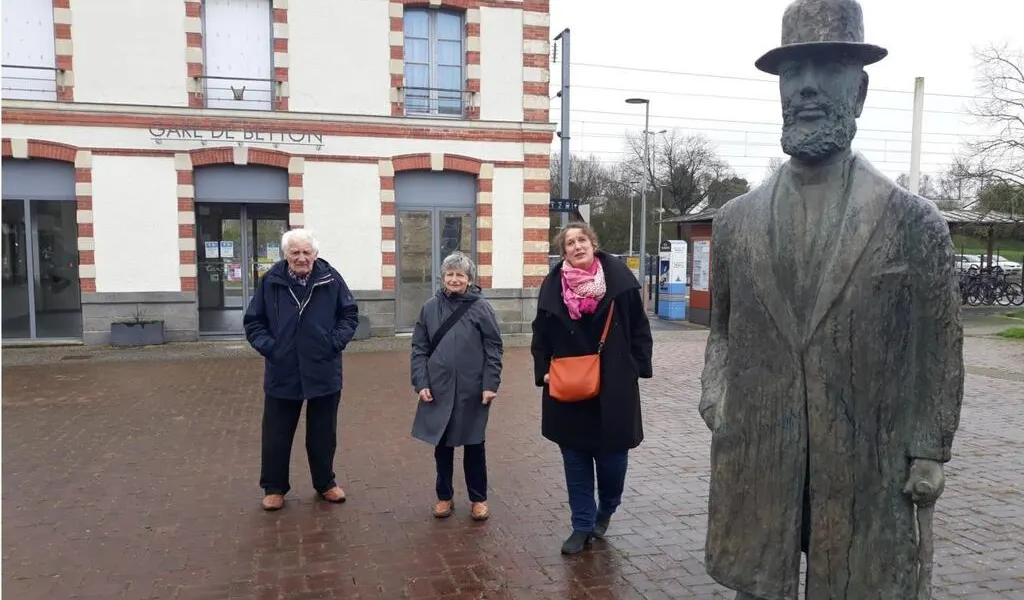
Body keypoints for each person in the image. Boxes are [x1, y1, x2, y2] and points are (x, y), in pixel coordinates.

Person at [698, 1, 964, 598]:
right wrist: (716, 394)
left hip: (866, 465)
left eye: (828, 68)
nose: (808, 87)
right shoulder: (735, 222)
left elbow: (939, 346)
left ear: (860, 87)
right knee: (759, 586)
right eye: (794, 73)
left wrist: (929, 448)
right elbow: (721, 327)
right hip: (762, 454)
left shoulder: (913, 222)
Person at [530, 223, 653, 555]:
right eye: (569, 243)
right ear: (563, 251)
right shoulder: (553, 286)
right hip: (569, 385)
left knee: (613, 461)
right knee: (575, 457)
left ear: (593, 244)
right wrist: (543, 371)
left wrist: (637, 366)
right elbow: (540, 333)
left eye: (581, 240)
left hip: (613, 386)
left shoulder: (620, 282)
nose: (576, 246)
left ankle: (607, 508)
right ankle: (581, 525)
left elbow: (640, 328)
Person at [243, 228, 360, 512]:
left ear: (315, 254)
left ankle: (325, 483)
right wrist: (272, 348)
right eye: (295, 252)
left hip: (323, 368)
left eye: (307, 252)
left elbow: (349, 314)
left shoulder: (331, 279)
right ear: (285, 255)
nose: (302, 258)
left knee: (323, 433)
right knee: (276, 433)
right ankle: (274, 488)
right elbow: (253, 321)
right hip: (283, 370)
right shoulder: (271, 281)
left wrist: (334, 343)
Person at [410, 251, 503, 521]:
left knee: (474, 445)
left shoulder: (481, 307)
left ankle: (478, 499)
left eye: (459, 275)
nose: (454, 279)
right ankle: (444, 496)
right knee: (443, 446)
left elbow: (494, 347)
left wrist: (490, 383)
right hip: (438, 389)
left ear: (469, 279)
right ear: (442, 278)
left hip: (472, 390)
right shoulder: (429, 307)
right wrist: (421, 381)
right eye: (449, 274)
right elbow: (419, 347)